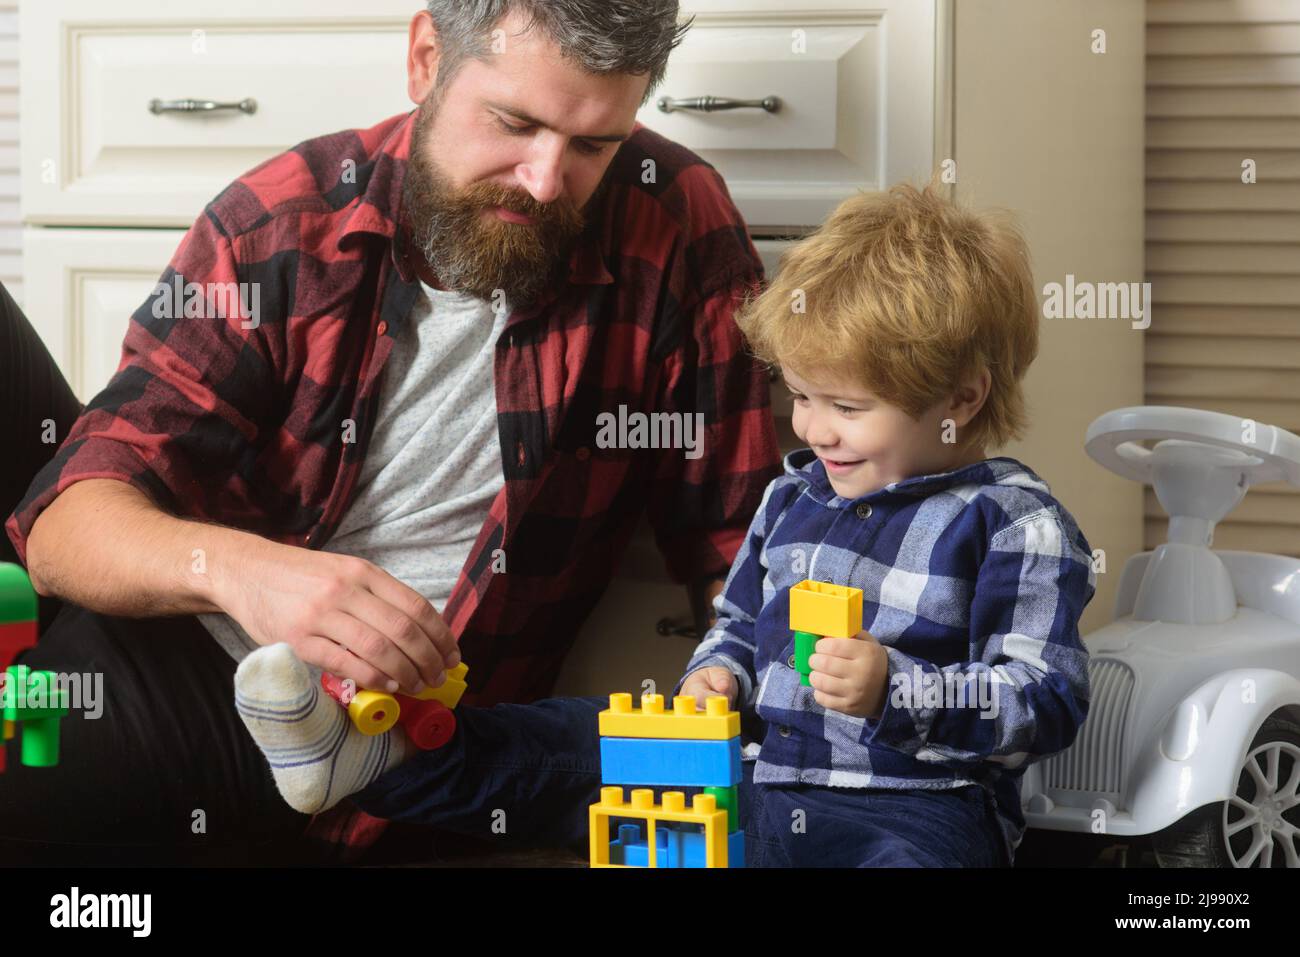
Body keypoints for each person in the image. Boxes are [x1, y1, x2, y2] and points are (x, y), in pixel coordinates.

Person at [0, 1, 781, 864]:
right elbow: (64, 528)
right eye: (514, 122)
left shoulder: (673, 222)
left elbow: (740, 546)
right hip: (184, 647)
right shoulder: (282, 219)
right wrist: (247, 574)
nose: (546, 179)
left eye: (595, 144)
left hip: (380, 745)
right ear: (425, 60)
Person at [235, 182, 1098, 867]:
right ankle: (374, 759)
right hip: (754, 776)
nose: (812, 428)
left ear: (961, 398)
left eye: (846, 405)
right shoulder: (795, 499)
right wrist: (716, 678)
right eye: (800, 396)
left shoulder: (1012, 525)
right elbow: (739, 630)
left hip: (910, 808)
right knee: (569, 739)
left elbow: (1045, 701)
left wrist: (893, 688)